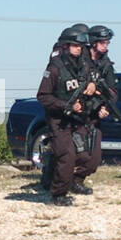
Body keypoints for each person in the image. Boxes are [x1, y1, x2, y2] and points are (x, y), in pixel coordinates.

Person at [36, 26, 98, 205]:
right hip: (59, 119)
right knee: (67, 156)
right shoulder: (55, 68)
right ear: (65, 46)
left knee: (87, 156)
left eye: (81, 46)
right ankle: (58, 194)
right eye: (75, 45)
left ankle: (55, 163)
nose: (79, 48)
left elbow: (90, 79)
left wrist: (92, 85)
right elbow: (43, 96)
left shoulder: (83, 66)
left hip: (78, 118)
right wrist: (66, 105)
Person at [79, 25, 118, 194]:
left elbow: (113, 91)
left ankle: (76, 180)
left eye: (107, 43)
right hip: (76, 113)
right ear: (93, 42)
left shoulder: (106, 63)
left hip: (94, 114)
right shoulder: (79, 58)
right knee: (73, 153)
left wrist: (106, 107)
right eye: (102, 42)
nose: (105, 46)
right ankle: (55, 176)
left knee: (94, 159)